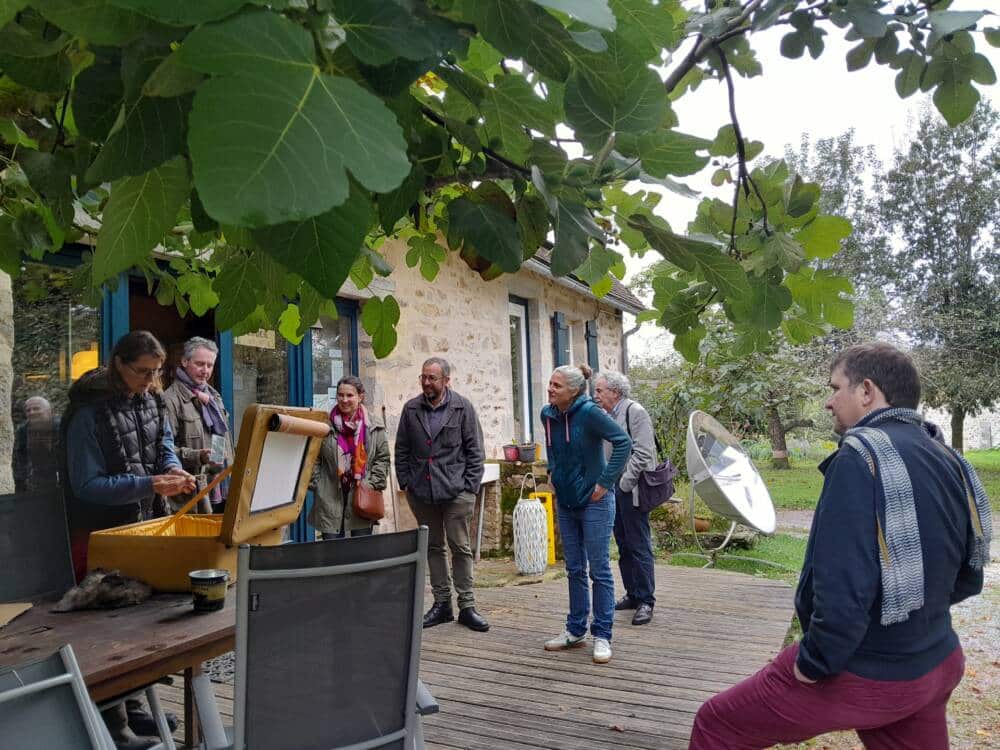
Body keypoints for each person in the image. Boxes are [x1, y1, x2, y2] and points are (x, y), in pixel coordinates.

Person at [690, 343, 991, 749]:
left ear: (867, 391)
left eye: (835, 388)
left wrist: (812, 664)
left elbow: (844, 584)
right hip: (937, 658)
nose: (829, 402)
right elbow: (967, 576)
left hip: (868, 671)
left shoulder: (861, 457)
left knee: (717, 725)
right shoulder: (945, 454)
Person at [62, 330, 196, 750]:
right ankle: (112, 722)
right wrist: (149, 483)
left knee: (138, 624)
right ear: (117, 363)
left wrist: (171, 471)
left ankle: (136, 710)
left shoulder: (152, 399)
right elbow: (86, 484)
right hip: (99, 531)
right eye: (142, 372)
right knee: (105, 628)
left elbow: (164, 445)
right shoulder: (88, 413)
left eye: (157, 373)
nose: (150, 381)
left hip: (142, 525)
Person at [542, 364, 631, 664]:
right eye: (550, 384)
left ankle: (603, 634)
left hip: (595, 503)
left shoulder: (591, 413)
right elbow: (553, 449)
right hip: (566, 503)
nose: (550, 389)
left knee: (599, 569)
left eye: (557, 385)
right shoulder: (548, 414)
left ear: (574, 390)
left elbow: (623, 443)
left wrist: (605, 483)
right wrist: (552, 472)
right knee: (574, 569)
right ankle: (575, 629)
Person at [395, 357, 488, 632]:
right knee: (433, 547)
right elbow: (402, 449)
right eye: (423, 377)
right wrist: (406, 483)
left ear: (446, 380)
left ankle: (467, 606)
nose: (426, 382)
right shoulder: (411, 409)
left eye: (432, 378)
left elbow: (475, 451)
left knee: (460, 548)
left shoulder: (462, 408)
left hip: (457, 491)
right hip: (422, 492)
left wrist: (470, 487)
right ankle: (442, 604)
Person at [594, 371, 658, 626]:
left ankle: (646, 601)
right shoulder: (606, 415)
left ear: (615, 392)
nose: (596, 395)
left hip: (631, 490)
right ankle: (633, 594)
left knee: (638, 544)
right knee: (622, 542)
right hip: (614, 489)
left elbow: (643, 453)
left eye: (600, 390)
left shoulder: (635, 412)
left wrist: (623, 483)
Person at [309, 375, 390, 539]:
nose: (344, 400)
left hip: (362, 495)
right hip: (330, 495)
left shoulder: (373, 426)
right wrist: (318, 483)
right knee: (331, 554)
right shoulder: (324, 425)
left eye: (350, 395)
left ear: (360, 397)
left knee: (360, 553)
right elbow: (312, 457)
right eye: (340, 395)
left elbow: (382, 458)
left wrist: (371, 483)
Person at [162, 336, 234, 513]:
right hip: (192, 494)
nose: (205, 371)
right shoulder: (169, 400)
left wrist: (218, 460)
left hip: (221, 485)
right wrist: (198, 456)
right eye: (200, 364)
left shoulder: (213, 396)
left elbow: (219, 436)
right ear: (185, 361)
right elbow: (163, 451)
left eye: (210, 365)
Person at [12, 396, 60, 492]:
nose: (31, 412)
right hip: (35, 485)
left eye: (36, 409)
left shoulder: (61, 426)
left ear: (49, 411)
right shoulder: (23, 430)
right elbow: (20, 459)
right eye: (28, 410)